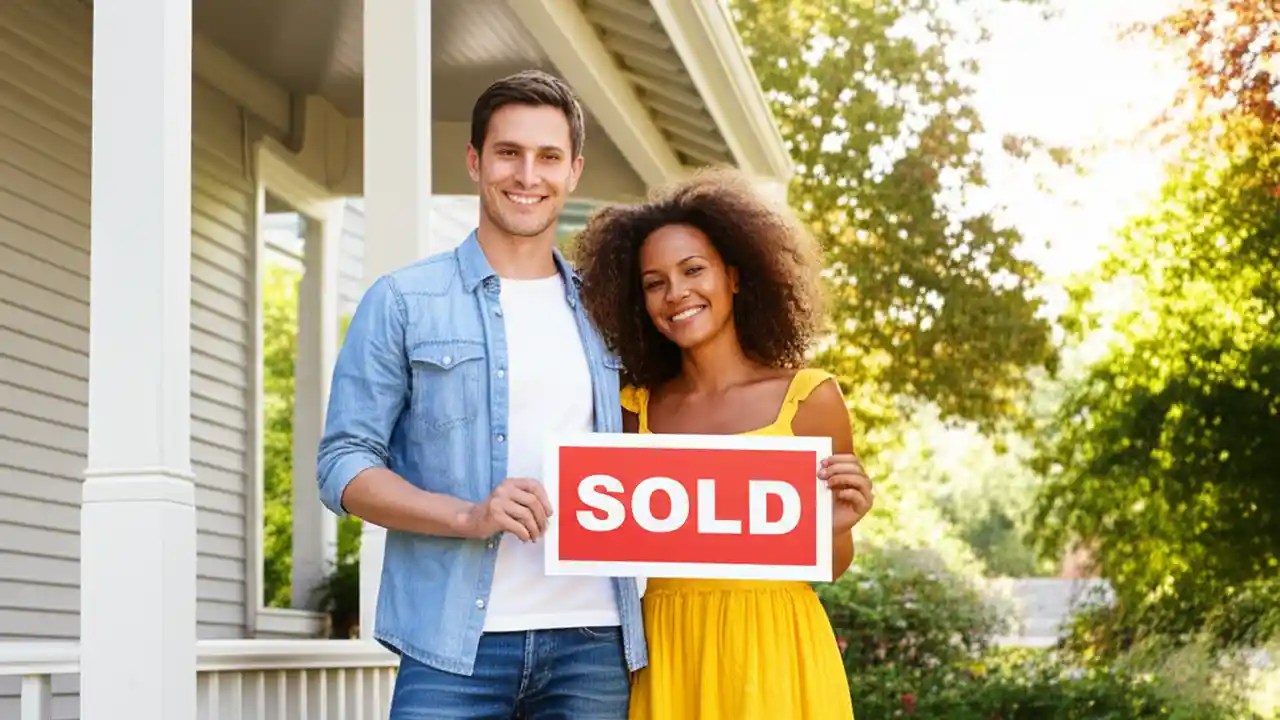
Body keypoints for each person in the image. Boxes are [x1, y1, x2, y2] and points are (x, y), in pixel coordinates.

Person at [316, 70, 645, 719]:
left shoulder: (611, 311)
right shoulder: (403, 301)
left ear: (573, 170)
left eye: (548, 156)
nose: (528, 175)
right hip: (450, 649)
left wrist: (808, 477)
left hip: (592, 641)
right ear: (475, 161)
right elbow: (342, 466)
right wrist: (467, 516)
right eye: (508, 153)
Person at [573, 168, 873, 719]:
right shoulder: (632, 409)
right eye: (654, 282)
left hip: (774, 654)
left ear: (734, 276)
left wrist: (839, 525)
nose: (676, 293)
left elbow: (829, 568)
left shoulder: (809, 399)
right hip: (667, 653)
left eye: (693, 270)